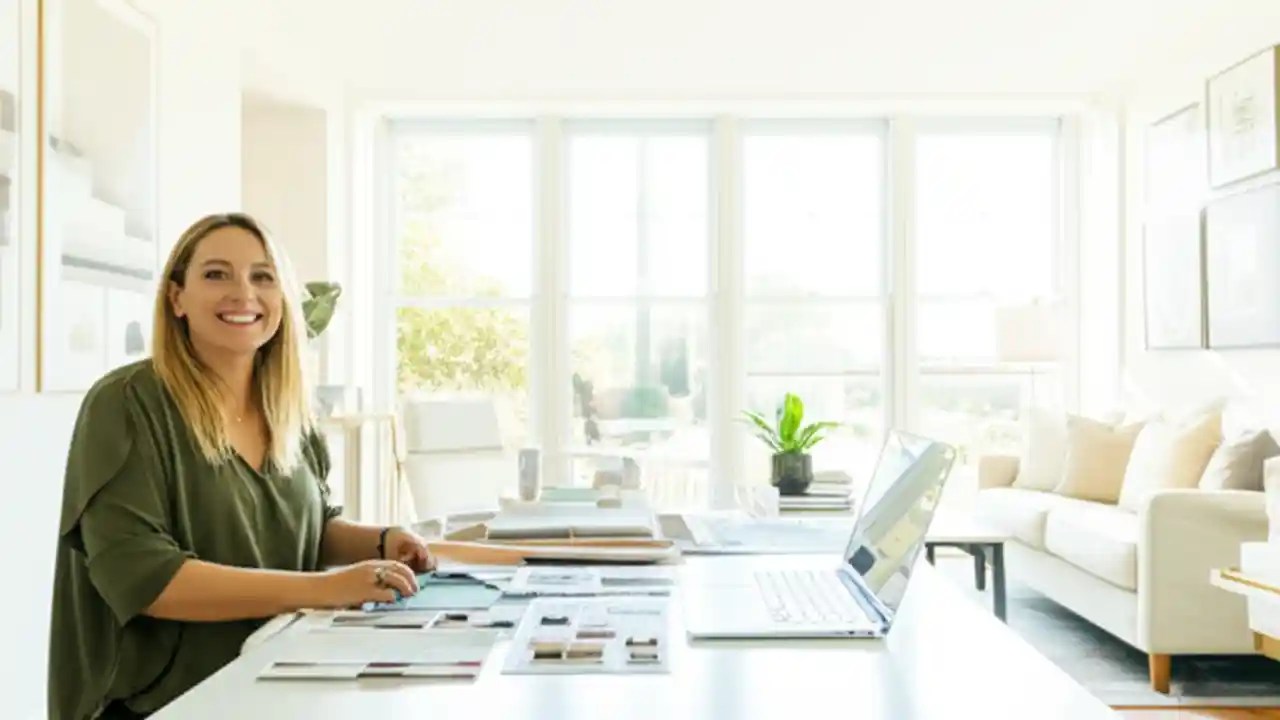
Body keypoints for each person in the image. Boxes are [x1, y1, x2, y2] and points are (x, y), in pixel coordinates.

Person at [47, 213, 434, 719]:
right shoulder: (125, 404)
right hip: (158, 705)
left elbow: (304, 528)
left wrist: (381, 542)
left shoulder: (290, 408)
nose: (243, 293)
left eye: (262, 276)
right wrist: (327, 590)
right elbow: (146, 580)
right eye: (215, 274)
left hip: (268, 684)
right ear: (176, 298)